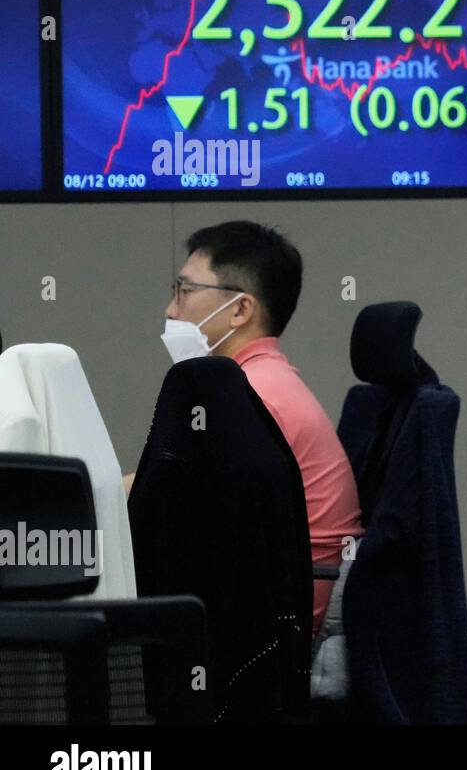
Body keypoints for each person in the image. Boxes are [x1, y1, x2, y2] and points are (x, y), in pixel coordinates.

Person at [129, 220, 363, 634]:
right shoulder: (257, 381)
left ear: (239, 309)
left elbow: (159, 502)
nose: (171, 309)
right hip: (266, 603)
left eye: (185, 291)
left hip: (273, 633)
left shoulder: (252, 396)